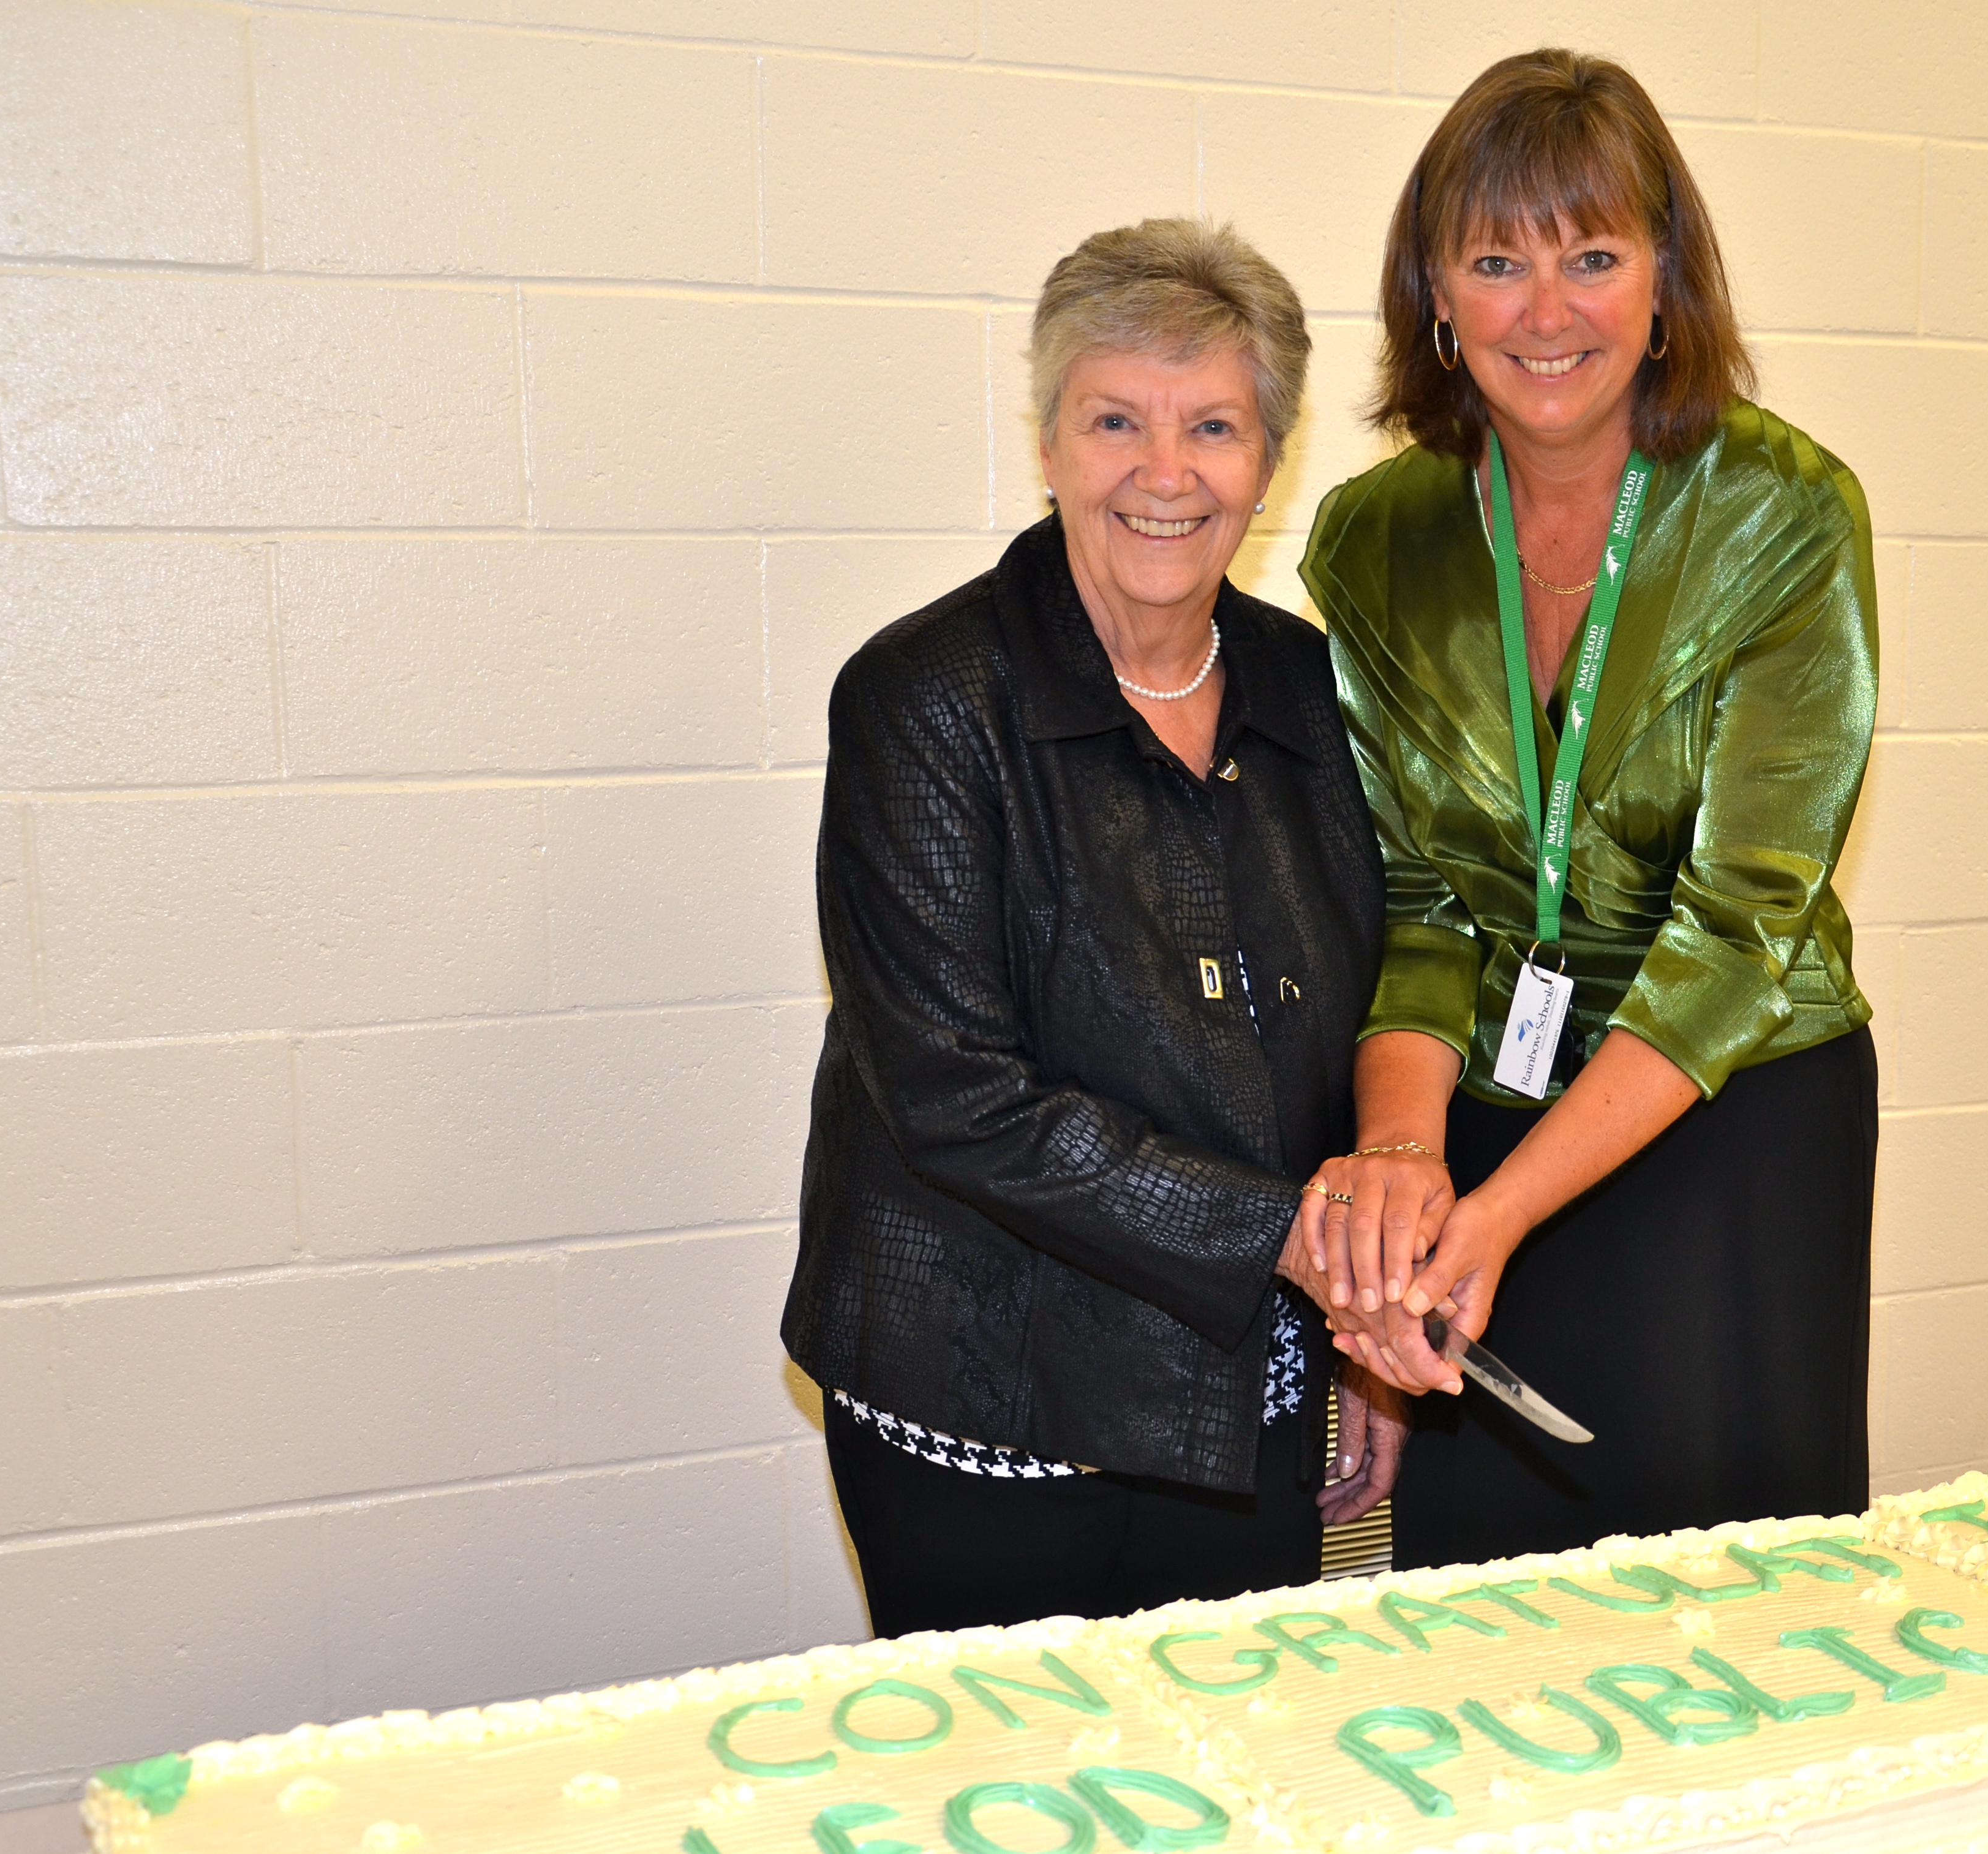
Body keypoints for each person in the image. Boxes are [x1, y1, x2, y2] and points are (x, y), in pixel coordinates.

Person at [1295, 49, 1882, 1571]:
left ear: (1666, 278)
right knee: (1485, 1591)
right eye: (1497, 261)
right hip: (1480, 1109)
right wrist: (1409, 1171)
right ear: (1435, 291)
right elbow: (1417, 902)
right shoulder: (1377, 538)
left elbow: (1741, 929)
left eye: (1593, 255)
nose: (1545, 311)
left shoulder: (1787, 511)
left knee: (1728, 1599)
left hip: (1731, 1105)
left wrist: (1493, 1216)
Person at [783, 219, 1390, 1638]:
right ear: (1049, 440)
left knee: (1241, 1782)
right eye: (1116, 419)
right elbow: (958, 1098)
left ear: (1270, 462)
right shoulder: (923, 700)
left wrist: (1357, 1332)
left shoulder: (1315, 693)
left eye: (1215, 428)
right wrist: (1292, 1238)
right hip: (992, 1407)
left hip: (1254, 1391)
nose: (1165, 473)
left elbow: (1355, 1030)